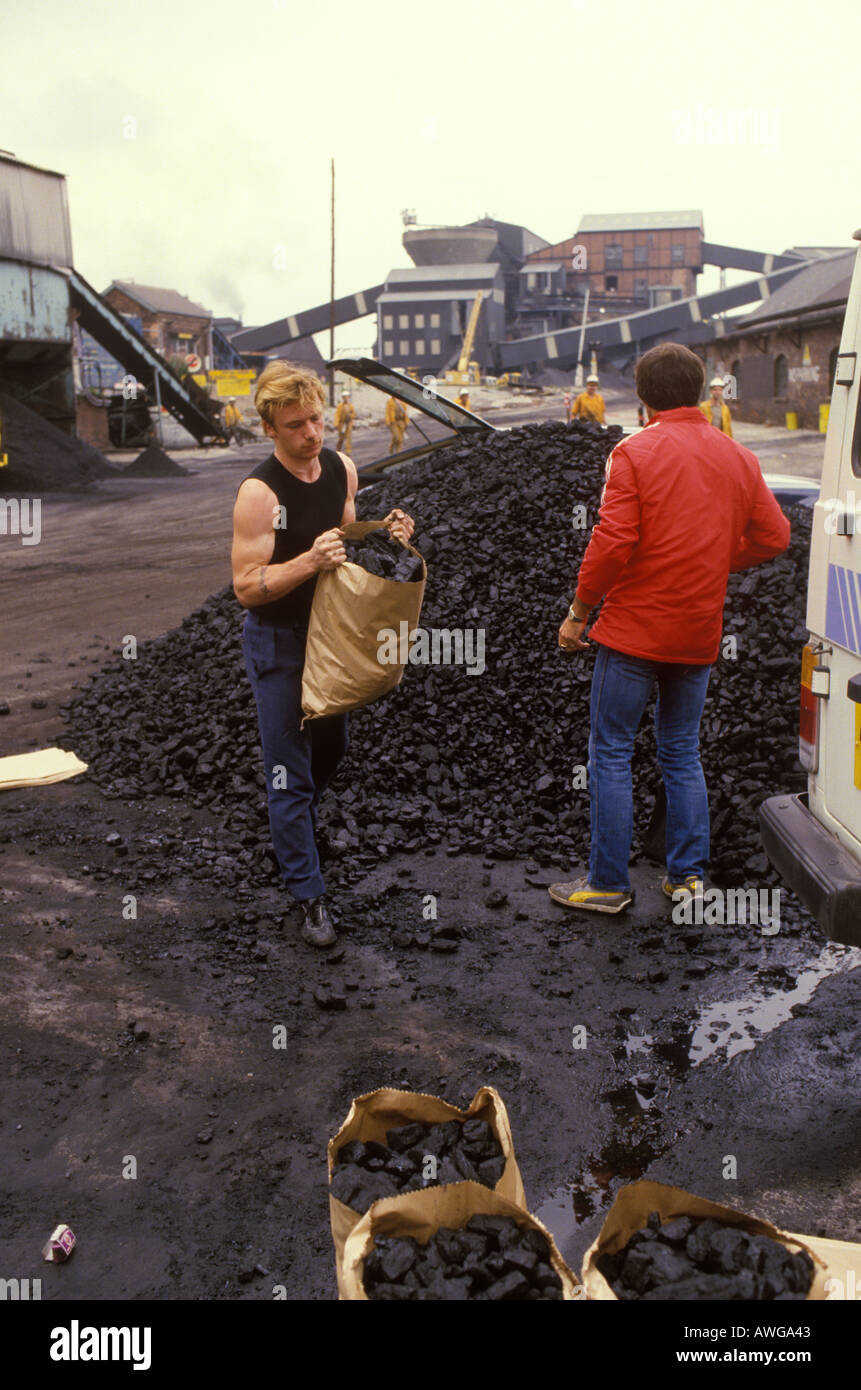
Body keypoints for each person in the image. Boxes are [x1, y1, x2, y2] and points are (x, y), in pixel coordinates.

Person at [551, 341, 790, 916]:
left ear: (642, 396)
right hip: (697, 632)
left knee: (610, 752)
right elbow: (775, 537)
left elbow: (612, 541)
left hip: (634, 632)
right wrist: (711, 558)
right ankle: (687, 879)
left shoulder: (634, 452)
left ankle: (608, 884)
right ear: (698, 387)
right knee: (681, 752)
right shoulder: (739, 457)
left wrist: (579, 612)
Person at [231, 362, 414, 947]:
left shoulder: (341, 467)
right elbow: (245, 584)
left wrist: (385, 530)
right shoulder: (260, 494)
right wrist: (309, 560)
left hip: (329, 635)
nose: (312, 434)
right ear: (270, 429)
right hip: (279, 641)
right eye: (296, 426)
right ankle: (309, 896)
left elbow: (345, 534)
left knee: (331, 747)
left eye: (316, 419)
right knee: (288, 773)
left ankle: (295, 831)